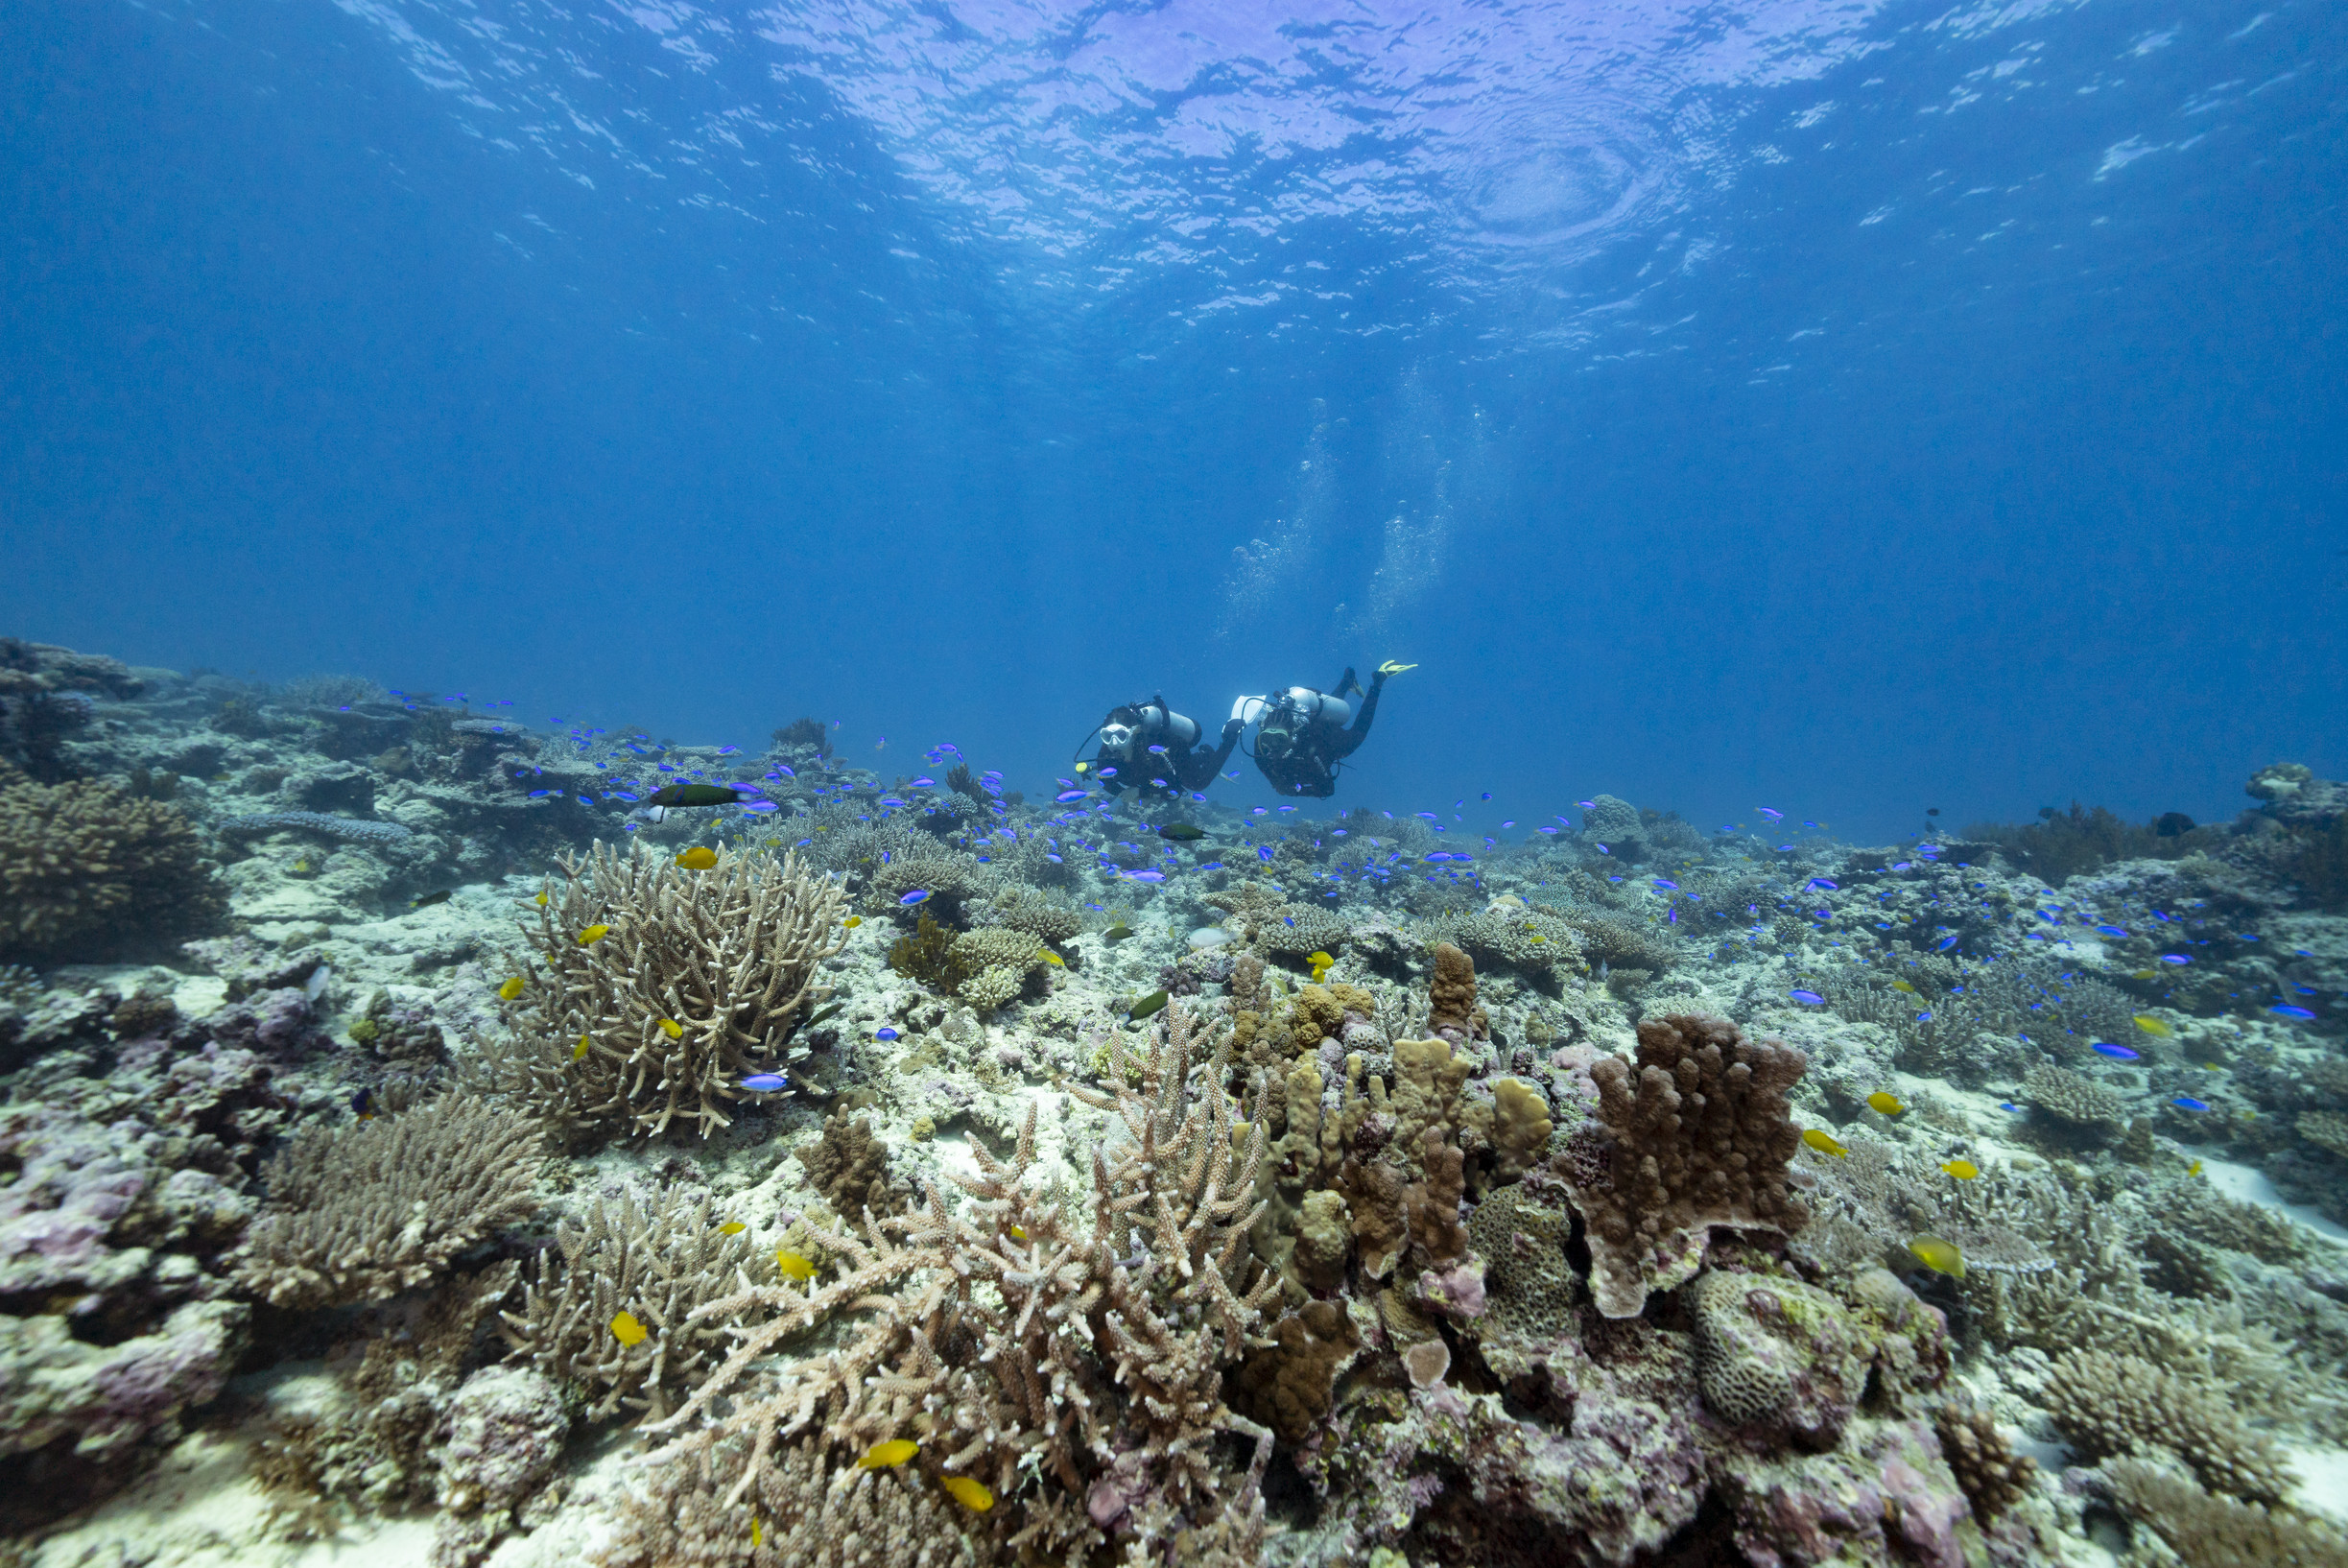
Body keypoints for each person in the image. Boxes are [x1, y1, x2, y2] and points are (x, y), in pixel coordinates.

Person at [1234, 661, 1411, 798]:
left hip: (1328, 739)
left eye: (1279, 739)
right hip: (1315, 721)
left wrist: (1293, 792)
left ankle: (1377, 684)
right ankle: (1347, 682)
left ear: (1291, 736)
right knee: (1326, 715)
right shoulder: (1260, 747)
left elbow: (1328, 789)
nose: (1272, 746)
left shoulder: (1309, 752)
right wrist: (1276, 782)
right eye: (1268, 739)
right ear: (1262, 733)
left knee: (1356, 736)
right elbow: (1268, 771)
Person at [1075, 695, 1244, 797]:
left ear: (1133, 732)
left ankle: (1229, 737)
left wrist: (1142, 793)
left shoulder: (1152, 748)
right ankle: (1201, 755)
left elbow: (1172, 783)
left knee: (1197, 783)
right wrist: (1120, 793)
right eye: (1107, 736)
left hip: (1174, 754)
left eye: (1121, 736)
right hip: (1152, 772)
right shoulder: (1106, 752)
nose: (1113, 743)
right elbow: (1105, 779)